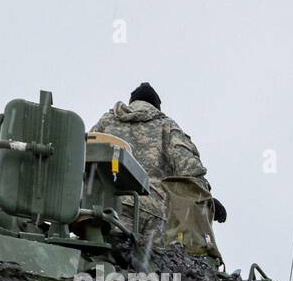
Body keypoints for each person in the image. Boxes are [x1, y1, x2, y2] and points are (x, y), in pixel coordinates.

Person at [91, 82, 225, 254]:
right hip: (153, 210)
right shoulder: (167, 126)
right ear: (157, 106)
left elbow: (85, 155)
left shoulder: (106, 123)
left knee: (105, 259)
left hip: (109, 205)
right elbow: (189, 168)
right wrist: (207, 199)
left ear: (131, 102)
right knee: (150, 271)